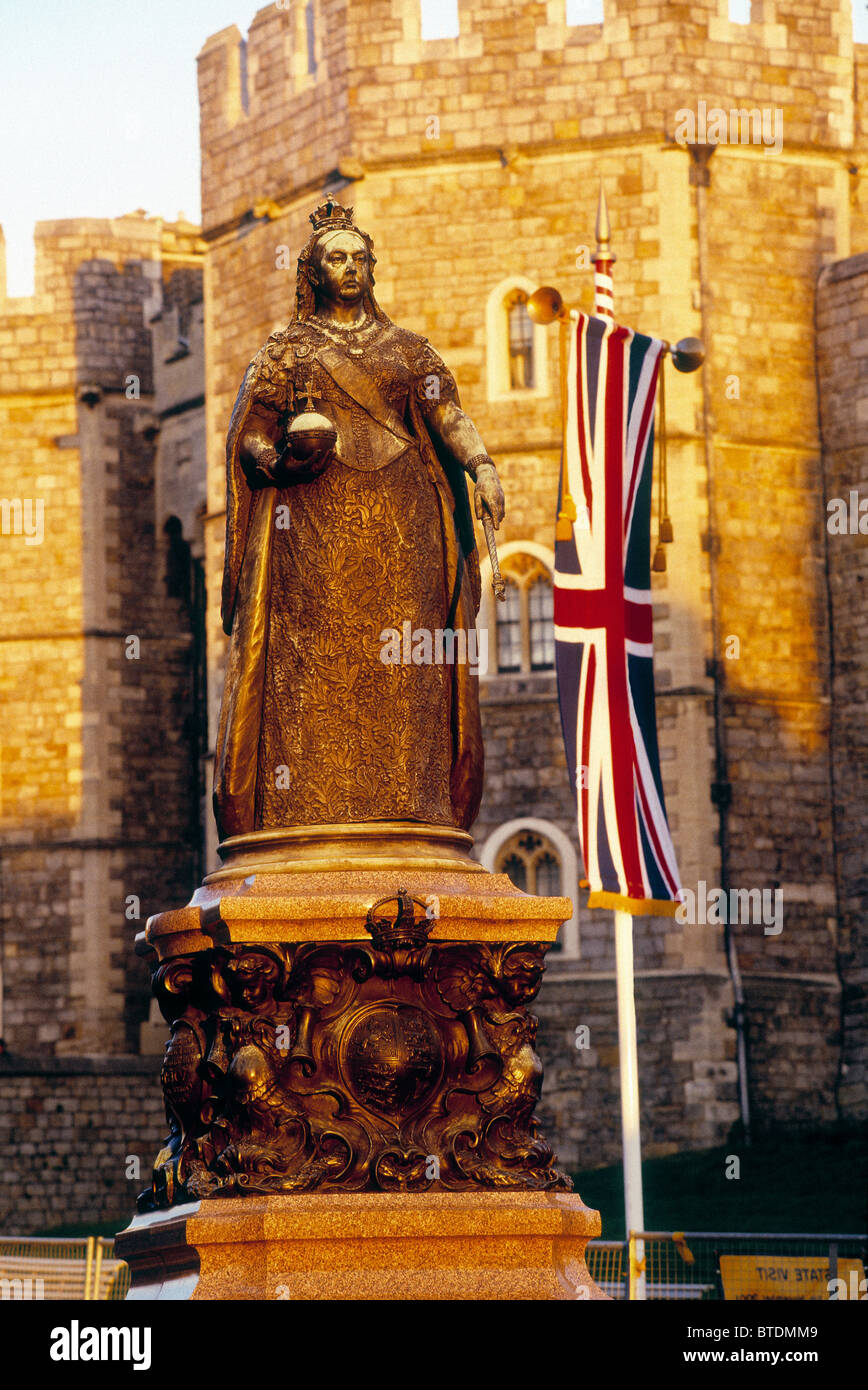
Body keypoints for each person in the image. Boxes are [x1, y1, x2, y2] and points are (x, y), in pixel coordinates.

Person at [214, 197, 505, 840]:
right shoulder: (287, 350)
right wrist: (284, 463)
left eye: (359, 258)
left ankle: (416, 806)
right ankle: (304, 814)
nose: (349, 267)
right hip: (313, 531)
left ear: (372, 270)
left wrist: (481, 466)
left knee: (406, 671)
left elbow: (446, 417)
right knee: (317, 665)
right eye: (335, 258)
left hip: (406, 528)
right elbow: (249, 439)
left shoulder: (407, 350)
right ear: (312, 272)